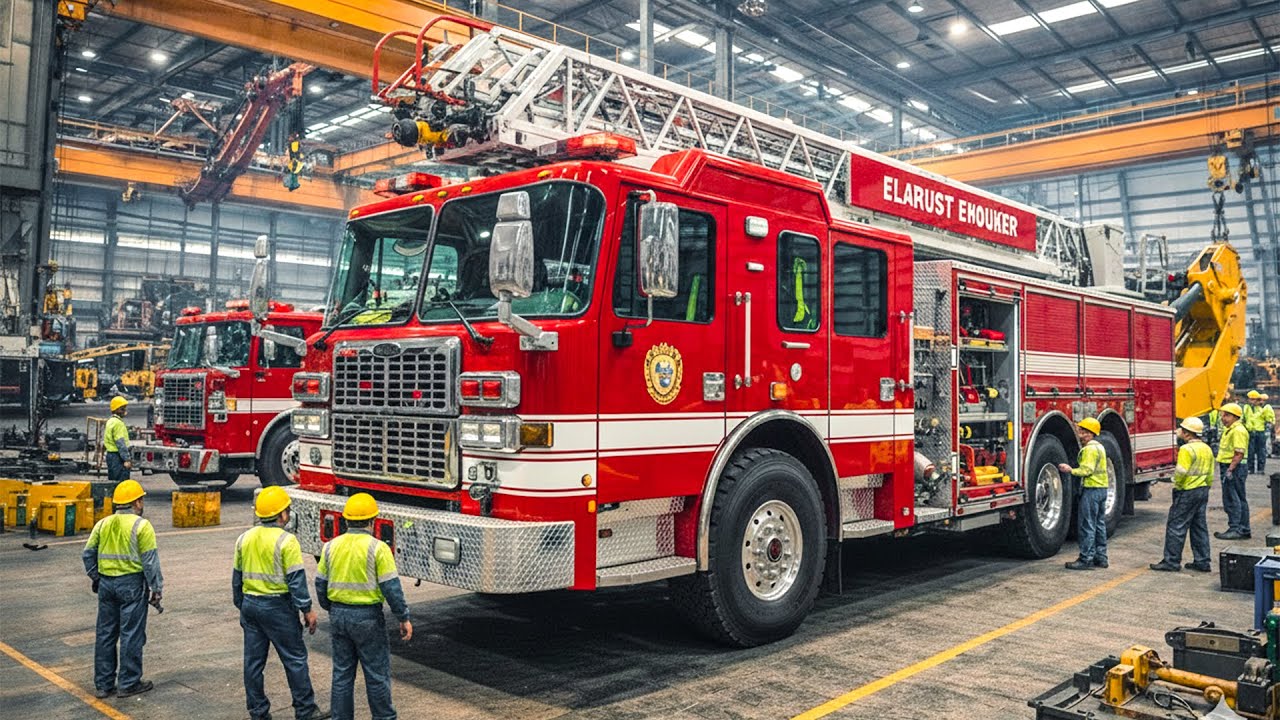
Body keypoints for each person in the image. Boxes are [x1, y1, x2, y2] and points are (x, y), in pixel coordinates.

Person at [233, 487, 328, 720]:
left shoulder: (243, 538)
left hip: (251, 605)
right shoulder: (287, 541)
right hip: (278, 609)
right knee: (294, 659)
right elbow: (296, 580)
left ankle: (258, 712)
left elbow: (237, 579)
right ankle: (305, 710)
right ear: (282, 515)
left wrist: (243, 606)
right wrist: (307, 610)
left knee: (253, 664)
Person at [316, 494, 412, 720]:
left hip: (338, 615)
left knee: (342, 674)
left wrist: (330, 607)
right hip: (367, 618)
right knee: (376, 675)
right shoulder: (378, 549)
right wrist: (403, 616)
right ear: (373, 521)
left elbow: (320, 583)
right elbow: (391, 588)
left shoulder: (331, 547)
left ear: (346, 520)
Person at [82, 479, 162, 699]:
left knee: (106, 634)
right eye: (141, 499)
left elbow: (88, 554)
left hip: (107, 585)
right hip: (132, 586)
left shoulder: (102, 524)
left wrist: (96, 576)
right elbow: (150, 562)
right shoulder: (141, 526)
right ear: (136, 502)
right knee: (131, 634)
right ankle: (128, 683)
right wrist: (156, 589)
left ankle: (104, 684)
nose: (142, 503)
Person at [1150, 418, 1215, 572]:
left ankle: (1171, 561)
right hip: (1202, 490)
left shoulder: (1186, 449)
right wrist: (1205, 486)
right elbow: (1211, 473)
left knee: (1176, 525)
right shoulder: (1207, 448)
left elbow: (1181, 472)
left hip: (1187, 491)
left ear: (1187, 433)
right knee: (1199, 526)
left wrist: (1177, 486)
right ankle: (1203, 561)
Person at [1061, 418, 1110, 571]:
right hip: (1102, 489)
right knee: (1099, 525)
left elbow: (1086, 470)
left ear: (1090, 434)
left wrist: (1070, 470)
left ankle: (1086, 558)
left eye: (1082, 432)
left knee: (1087, 525)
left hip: (1091, 490)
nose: (1080, 434)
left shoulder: (1089, 449)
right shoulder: (1100, 447)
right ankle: (1101, 557)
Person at [1214, 402, 1251, 540]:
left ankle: (1237, 528)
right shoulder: (1230, 429)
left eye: (1227, 415)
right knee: (1235, 497)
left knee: (1233, 499)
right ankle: (1241, 528)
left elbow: (1239, 453)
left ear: (1236, 417)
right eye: (1223, 415)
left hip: (1234, 467)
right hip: (1232, 467)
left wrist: (1230, 470)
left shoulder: (1238, 431)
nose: (1223, 418)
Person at [104, 396, 133, 484]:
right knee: (121, 483)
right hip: (118, 457)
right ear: (116, 409)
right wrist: (126, 459)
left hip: (110, 456)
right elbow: (120, 443)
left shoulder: (110, 421)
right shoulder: (118, 424)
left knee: (112, 482)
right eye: (122, 409)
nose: (124, 411)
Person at [1244, 390, 1268, 474]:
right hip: (1250, 432)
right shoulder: (1246, 408)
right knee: (1250, 451)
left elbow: (1268, 419)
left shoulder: (1262, 409)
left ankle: (1260, 469)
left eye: (1255, 399)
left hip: (1260, 431)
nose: (1254, 401)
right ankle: (1250, 468)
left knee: (1261, 451)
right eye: (1252, 399)